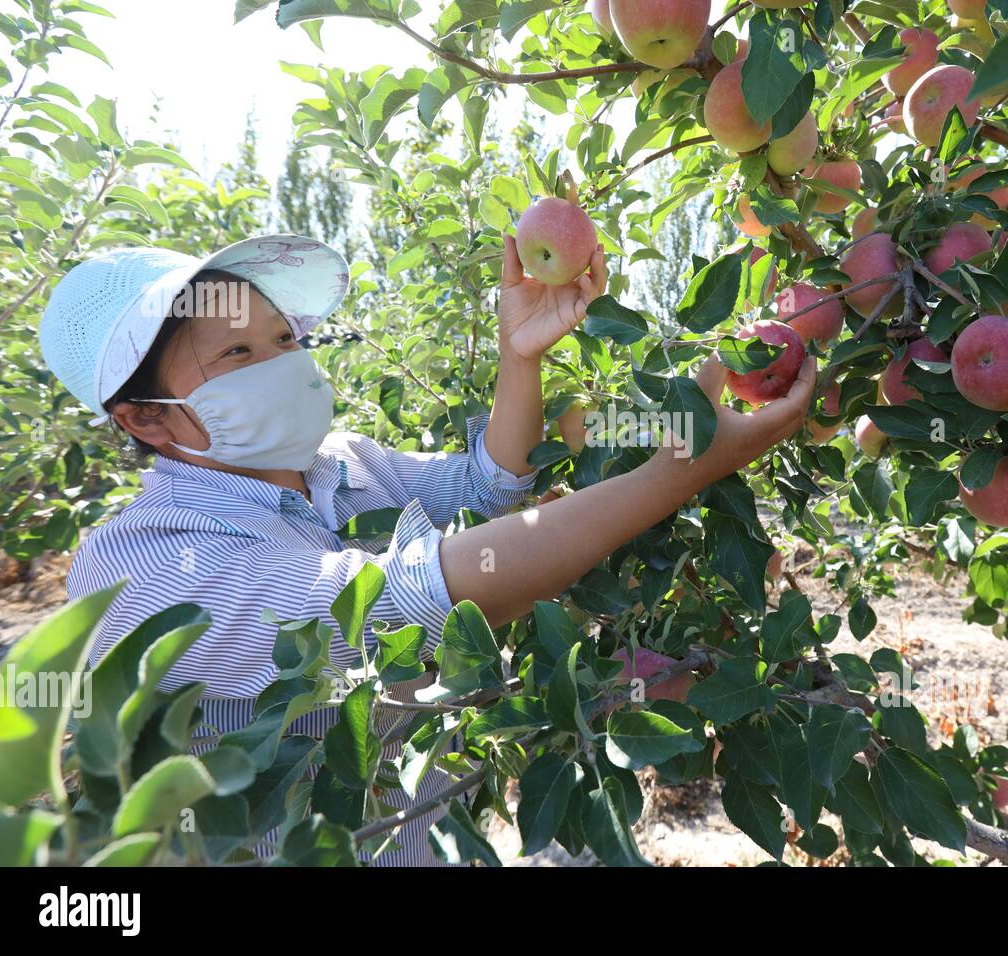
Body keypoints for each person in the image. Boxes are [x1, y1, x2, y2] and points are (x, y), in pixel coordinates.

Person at [40, 232, 816, 865]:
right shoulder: (138, 567)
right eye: (237, 355)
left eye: (283, 338)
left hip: (425, 840)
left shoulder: (347, 464)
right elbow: (416, 596)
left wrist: (524, 356)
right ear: (148, 419)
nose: (283, 363)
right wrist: (684, 469)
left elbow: (489, 489)